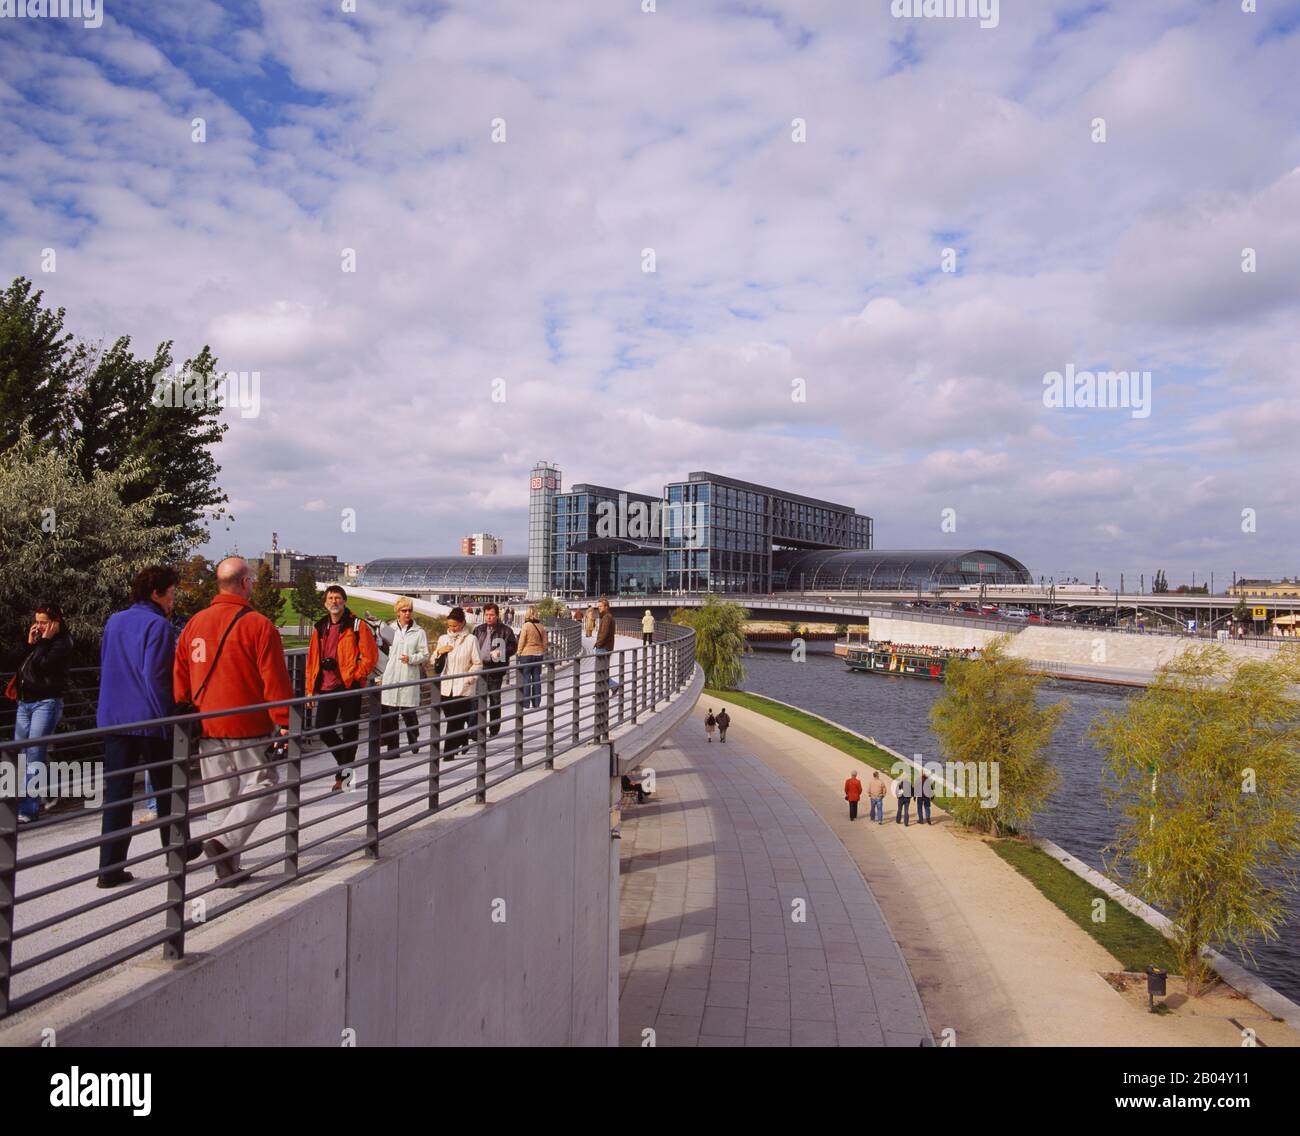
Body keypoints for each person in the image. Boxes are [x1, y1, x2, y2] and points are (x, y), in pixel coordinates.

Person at [174, 557, 293, 886]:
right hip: (247, 725)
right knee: (266, 787)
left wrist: (190, 712)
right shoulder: (258, 625)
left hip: (206, 726)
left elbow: (180, 677)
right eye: (251, 580)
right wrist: (285, 721)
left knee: (219, 799)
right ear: (244, 584)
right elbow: (274, 681)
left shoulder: (194, 624)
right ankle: (224, 845)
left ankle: (226, 868)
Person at [97, 566, 206, 887]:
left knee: (117, 795)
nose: (174, 599)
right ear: (157, 593)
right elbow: (156, 678)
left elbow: (108, 665)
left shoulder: (114, 621)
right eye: (171, 592)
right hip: (148, 719)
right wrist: (169, 719)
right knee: (169, 788)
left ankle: (109, 868)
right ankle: (178, 851)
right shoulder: (158, 626)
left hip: (113, 719)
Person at [306, 585, 380, 792]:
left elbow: (370, 656)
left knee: (349, 731)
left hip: (349, 686)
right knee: (323, 728)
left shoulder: (357, 625)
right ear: (325, 603)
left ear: (344, 601)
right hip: (327, 685)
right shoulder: (320, 627)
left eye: (338, 598)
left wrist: (356, 675)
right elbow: (312, 660)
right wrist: (310, 689)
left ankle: (344, 780)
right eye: (330, 598)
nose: (334, 602)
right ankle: (347, 766)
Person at [9, 602, 73, 822]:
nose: (39, 626)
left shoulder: (63, 643)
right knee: (20, 752)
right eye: (36, 621)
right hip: (25, 702)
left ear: (56, 622)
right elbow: (20, 663)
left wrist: (44, 641)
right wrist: (30, 643)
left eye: (43, 622)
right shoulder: (39, 641)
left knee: (35, 752)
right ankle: (34, 798)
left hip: (46, 702)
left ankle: (28, 809)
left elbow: (42, 666)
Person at [378, 597, 428, 757]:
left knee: (409, 713)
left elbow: (425, 654)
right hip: (391, 677)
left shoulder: (419, 632)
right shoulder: (390, 630)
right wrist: (380, 677)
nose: (407, 613)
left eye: (409, 610)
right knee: (390, 715)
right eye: (403, 610)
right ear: (397, 612)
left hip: (408, 675)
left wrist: (412, 658)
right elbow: (382, 654)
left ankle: (413, 739)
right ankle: (393, 749)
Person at [434, 607, 482, 759]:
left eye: (455, 625)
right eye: (449, 625)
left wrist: (469, 679)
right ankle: (462, 738)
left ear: (462, 623)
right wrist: (440, 652)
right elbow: (432, 660)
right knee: (452, 719)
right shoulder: (443, 639)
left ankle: (448, 753)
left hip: (463, 687)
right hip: (446, 687)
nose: (452, 629)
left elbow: (478, 663)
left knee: (454, 720)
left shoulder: (471, 640)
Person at [473, 602, 518, 738]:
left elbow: (513, 647)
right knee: (478, 700)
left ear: (497, 615)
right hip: (480, 668)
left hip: (495, 670)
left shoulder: (506, 631)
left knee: (494, 700)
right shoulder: (478, 630)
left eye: (491, 615)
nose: (489, 617)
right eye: (486, 615)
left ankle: (493, 729)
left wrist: (501, 650)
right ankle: (476, 730)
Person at [516, 606, 548, 710]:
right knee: (536, 678)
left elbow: (521, 640)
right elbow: (545, 643)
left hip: (526, 655)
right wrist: (541, 650)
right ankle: (536, 703)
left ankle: (526, 703)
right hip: (538, 655)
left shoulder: (526, 626)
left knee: (526, 679)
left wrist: (519, 652)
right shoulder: (541, 626)